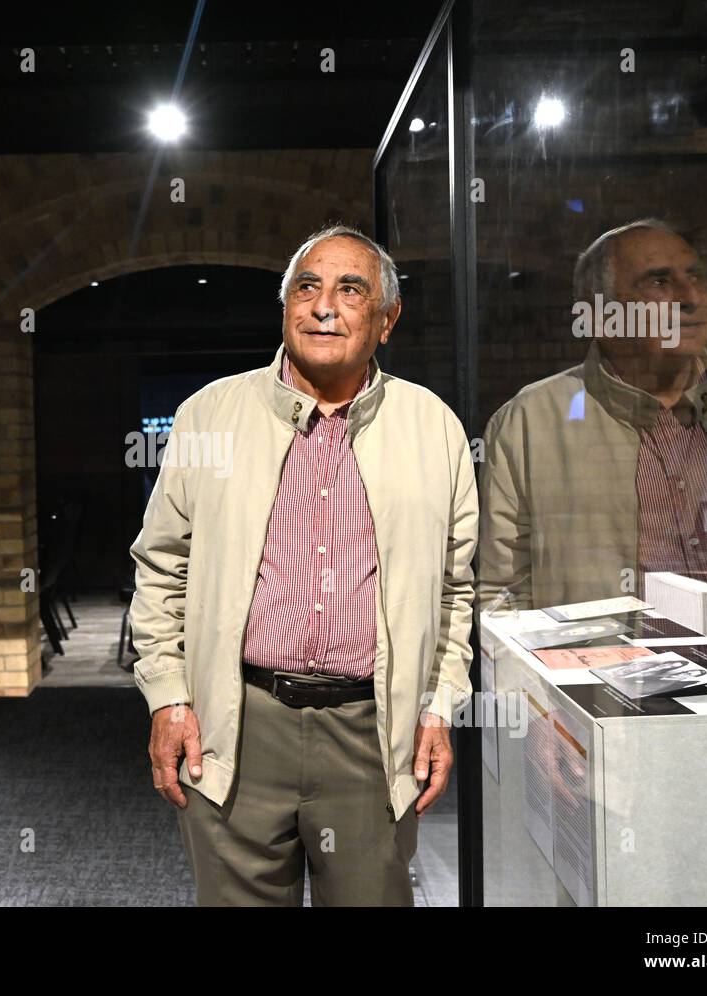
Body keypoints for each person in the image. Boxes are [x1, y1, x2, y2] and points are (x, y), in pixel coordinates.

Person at [128, 223, 477, 906]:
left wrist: (439, 710)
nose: (324, 306)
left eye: (351, 290)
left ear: (386, 320)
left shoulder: (434, 427)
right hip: (238, 728)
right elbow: (162, 567)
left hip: (373, 738)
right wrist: (169, 697)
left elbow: (454, 592)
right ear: (286, 304)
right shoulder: (207, 416)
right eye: (307, 287)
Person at [478, 218, 707, 611]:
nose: (691, 297)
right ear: (603, 315)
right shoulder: (530, 422)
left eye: (695, 276)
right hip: (597, 669)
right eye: (659, 282)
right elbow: (504, 592)